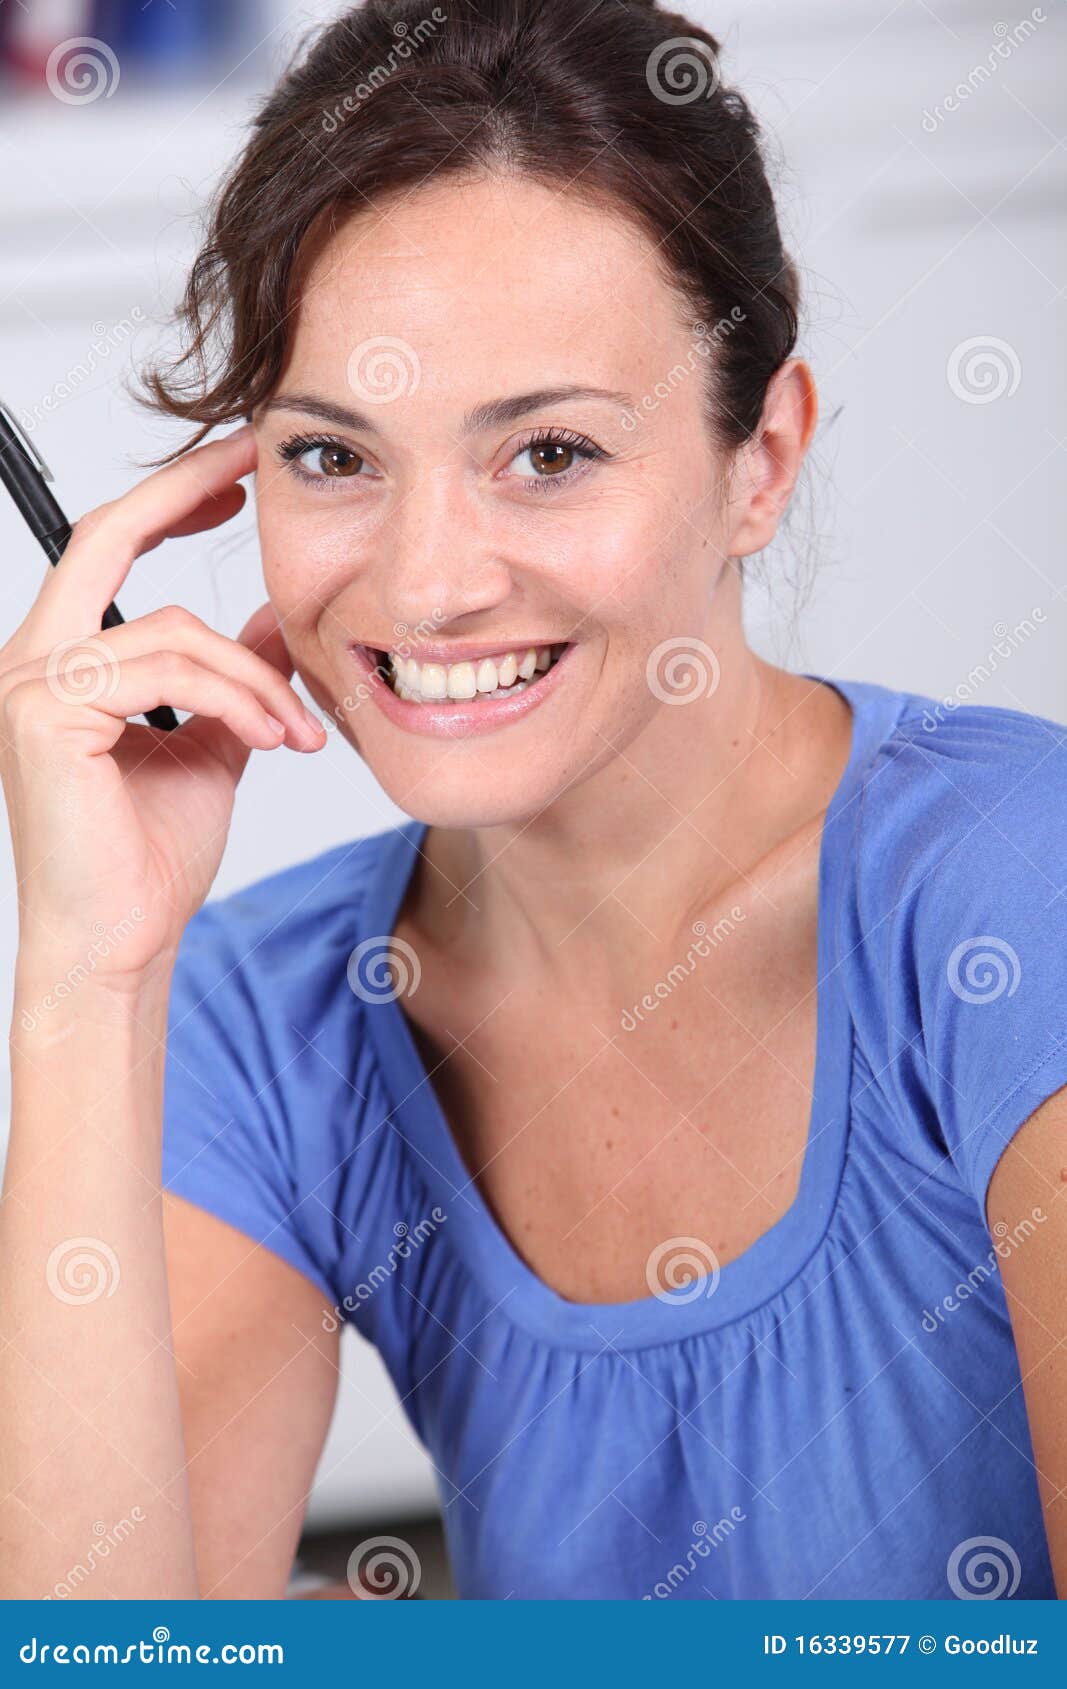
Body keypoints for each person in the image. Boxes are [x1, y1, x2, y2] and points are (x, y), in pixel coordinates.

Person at [1, 0, 1064, 1601]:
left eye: (551, 452)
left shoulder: (1016, 889)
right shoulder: (267, 1019)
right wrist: (87, 973)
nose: (428, 583)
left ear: (763, 460)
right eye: (334, 457)